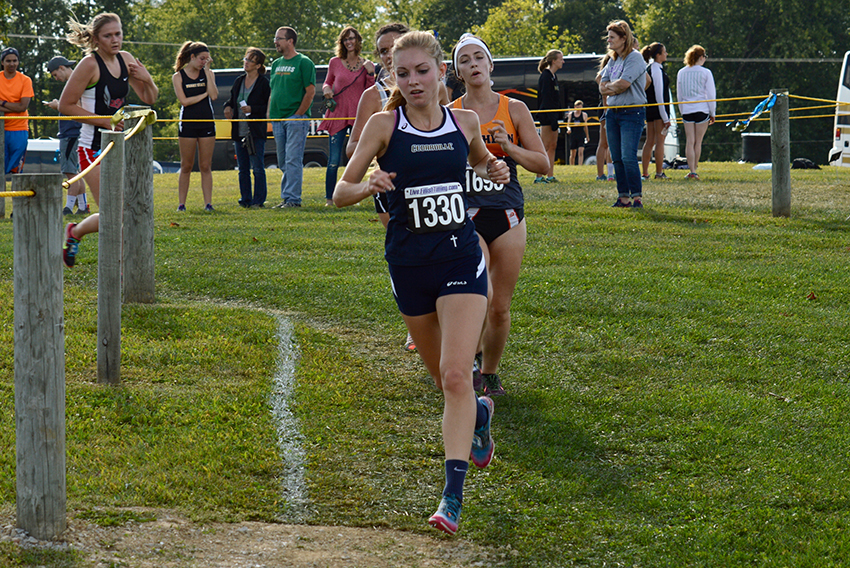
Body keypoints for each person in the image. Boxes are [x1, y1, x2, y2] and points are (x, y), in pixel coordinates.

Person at [333, 30, 509, 536]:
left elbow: (478, 159)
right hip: (409, 265)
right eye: (403, 73)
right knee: (444, 382)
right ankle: (479, 416)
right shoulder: (383, 125)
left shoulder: (465, 121)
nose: (413, 81)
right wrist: (367, 185)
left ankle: (451, 497)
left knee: (456, 376)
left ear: (440, 72)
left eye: (422, 71)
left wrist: (493, 167)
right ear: (393, 76)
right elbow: (341, 191)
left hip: (460, 257)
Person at [450, 34, 548, 397]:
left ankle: (489, 372)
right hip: (467, 214)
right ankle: (470, 362)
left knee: (501, 308)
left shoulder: (515, 109)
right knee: (481, 295)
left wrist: (508, 147)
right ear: (458, 72)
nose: (473, 64)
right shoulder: (451, 112)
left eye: (479, 57)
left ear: (490, 64)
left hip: (509, 215)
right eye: (464, 60)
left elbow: (543, 164)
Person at [59, 12, 158, 268]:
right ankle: (121, 270)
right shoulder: (89, 65)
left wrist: (147, 78)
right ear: (96, 39)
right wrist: (103, 120)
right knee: (116, 213)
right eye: (108, 36)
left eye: (118, 34)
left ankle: (75, 231)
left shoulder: (126, 59)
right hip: (91, 148)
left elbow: (150, 98)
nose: (115, 40)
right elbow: (65, 105)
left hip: (117, 144)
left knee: (122, 211)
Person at [319, 27, 375, 206]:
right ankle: (329, 199)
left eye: (352, 38)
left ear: (358, 41)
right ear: (342, 43)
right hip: (337, 115)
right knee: (333, 160)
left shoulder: (366, 64)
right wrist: (326, 89)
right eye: (345, 39)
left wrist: (371, 73)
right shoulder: (335, 62)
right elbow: (327, 82)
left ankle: (352, 196)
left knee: (355, 159)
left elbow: (370, 91)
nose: (349, 42)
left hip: (358, 116)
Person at [599, 20, 646, 208]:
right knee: (616, 157)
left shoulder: (635, 58)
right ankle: (623, 197)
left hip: (631, 112)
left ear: (623, 38)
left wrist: (611, 87)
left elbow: (624, 84)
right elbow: (602, 85)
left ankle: (637, 197)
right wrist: (613, 87)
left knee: (628, 157)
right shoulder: (612, 60)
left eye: (612, 37)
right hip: (613, 113)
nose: (608, 40)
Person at [269, 27, 316, 208]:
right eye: (275, 38)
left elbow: (310, 92)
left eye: (279, 38)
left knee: (292, 159)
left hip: (295, 119)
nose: (275, 42)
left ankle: (293, 199)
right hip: (277, 119)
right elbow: (274, 91)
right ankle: (287, 198)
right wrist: (270, 115)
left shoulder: (304, 62)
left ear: (290, 41)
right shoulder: (276, 64)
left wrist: (299, 114)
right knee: (283, 161)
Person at [172, 41, 218, 212]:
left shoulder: (208, 74)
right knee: (186, 165)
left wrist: (207, 73)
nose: (204, 62)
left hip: (206, 123)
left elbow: (214, 95)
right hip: (188, 124)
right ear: (192, 57)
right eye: (202, 59)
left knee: (205, 165)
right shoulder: (178, 77)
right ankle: (181, 204)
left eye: (207, 59)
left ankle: (208, 204)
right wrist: (204, 94)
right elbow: (184, 101)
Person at [224, 48, 270, 208]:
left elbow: (266, 107)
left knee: (257, 168)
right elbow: (231, 100)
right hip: (239, 131)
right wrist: (227, 107)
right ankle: (245, 200)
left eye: (251, 60)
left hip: (255, 132)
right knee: (243, 169)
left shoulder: (263, 83)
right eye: (246, 59)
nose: (246, 62)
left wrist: (252, 109)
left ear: (258, 66)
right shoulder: (239, 81)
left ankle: (258, 200)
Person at [46, 56, 90, 215]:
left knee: (70, 172)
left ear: (61, 68)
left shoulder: (75, 84)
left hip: (71, 133)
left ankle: (68, 208)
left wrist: (58, 106)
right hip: (74, 133)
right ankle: (83, 206)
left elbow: (77, 109)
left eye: (55, 74)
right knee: (76, 172)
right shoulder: (77, 83)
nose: (56, 78)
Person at [677, 45, 716, 180]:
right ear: (700, 57)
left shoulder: (681, 72)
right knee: (698, 142)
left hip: (687, 110)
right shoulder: (706, 72)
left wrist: (682, 110)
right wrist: (713, 112)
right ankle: (694, 170)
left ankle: (692, 170)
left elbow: (679, 95)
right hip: (702, 109)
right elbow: (711, 94)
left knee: (690, 141)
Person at [641, 42, 671, 180]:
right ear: (658, 55)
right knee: (659, 141)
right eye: (664, 52)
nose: (666, 54)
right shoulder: (656, 69)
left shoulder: (649, 68)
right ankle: (659, 173)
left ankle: (645, 173)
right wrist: (665, 118)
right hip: (658, 110)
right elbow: (659, 95)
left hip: (650, 109)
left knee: (650, 140)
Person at [0, 47, 33, 175]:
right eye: (8, 61)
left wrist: (2, 103)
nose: (12, 64)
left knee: (16, 170)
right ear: (2, 62)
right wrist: (13, 106)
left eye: (14, 60)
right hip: (1, 128)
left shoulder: (25, 80)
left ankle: (16, 190)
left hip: (19, 129)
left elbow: (22, 107)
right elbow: (18, 107)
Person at [534, 49, 563, 183]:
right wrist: (551, 118)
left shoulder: (553, 76)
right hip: (546, 116)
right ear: (554, 61)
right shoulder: (545, 76)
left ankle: (550, 175)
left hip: (554, 116)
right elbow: (545, 99)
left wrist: (557, 117)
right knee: (544, 147)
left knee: (553, 145)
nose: (563, 61)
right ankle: (539, 177)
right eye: (561, 59)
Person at [594, 54, 615, 181]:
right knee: (604, 142)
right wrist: (607, 110)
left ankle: (609, 173)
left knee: (609, 142)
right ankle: (602, 174)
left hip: (608, 108)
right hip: (605, 109)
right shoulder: (606, 72)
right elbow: (599, 80)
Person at [566, 100, 589, 166]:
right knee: (573, 153)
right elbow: (568, 125)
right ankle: (572, 166)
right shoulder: (571, 114)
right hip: (573, 135)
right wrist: (569, 129)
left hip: (581, 135)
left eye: (580, 107)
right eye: (578, 107)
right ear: (575, 107)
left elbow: (585, 127)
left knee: (581, 152)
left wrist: (587, 136)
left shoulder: (584, 115)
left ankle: (580, 165)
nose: (579, 109)